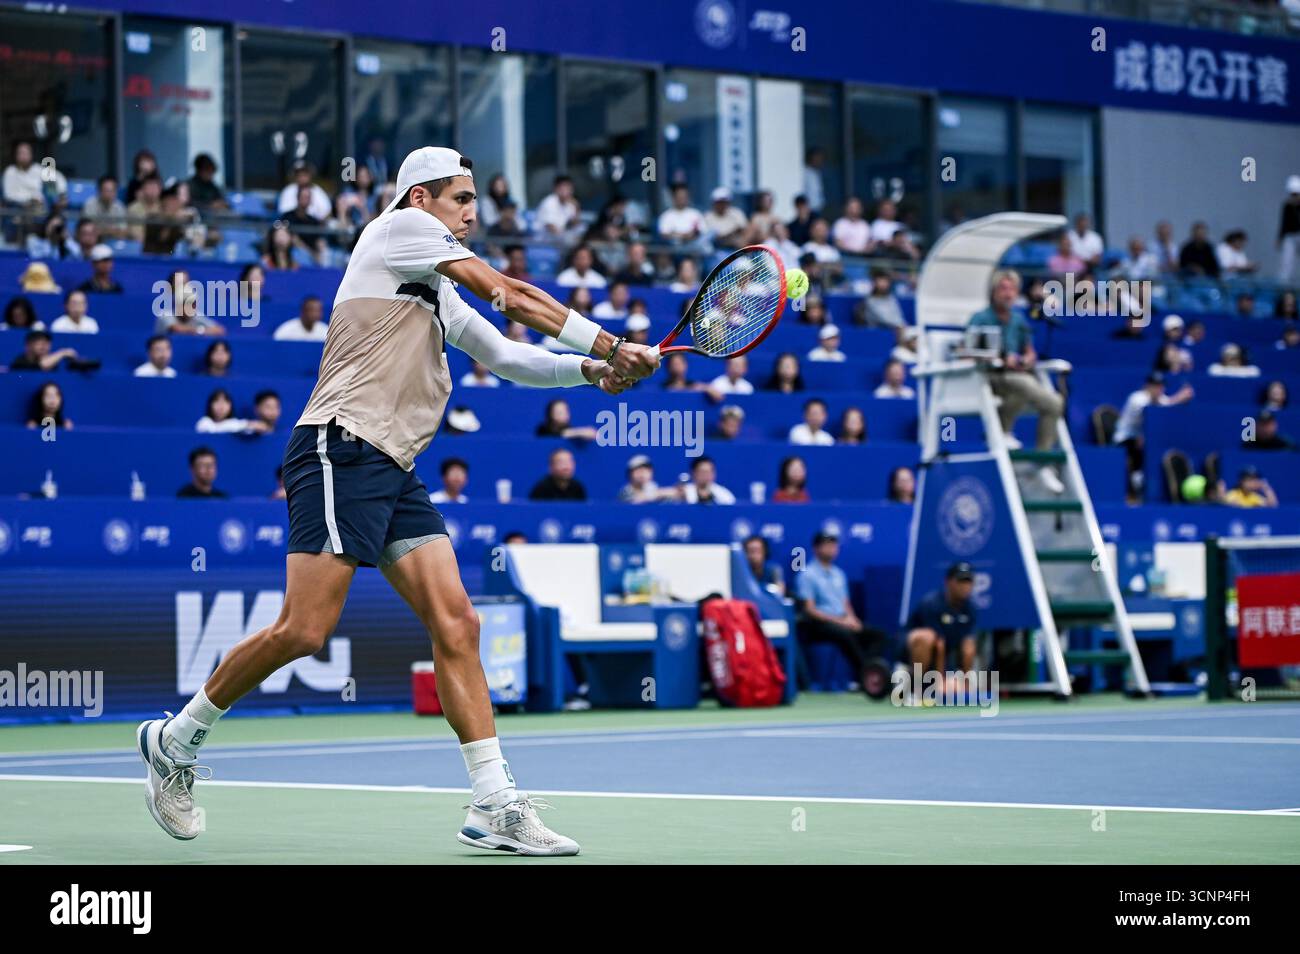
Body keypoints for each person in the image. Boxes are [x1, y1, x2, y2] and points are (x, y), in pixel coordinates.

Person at [135, 147, 656, 858]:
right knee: (304, 630)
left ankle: (493, 803)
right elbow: (509, 291)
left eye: (474, 199)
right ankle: (175, 740)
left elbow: (505, 355)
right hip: (339, 447)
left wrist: (589, 372)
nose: (473, 211)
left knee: (458, 621)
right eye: (459, 197)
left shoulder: (437, 288)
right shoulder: (396, 232)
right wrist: (610, 339)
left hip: (394, 466)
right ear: (420, 199)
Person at [969, 270, 1064, 491]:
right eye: (1003, 288)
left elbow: (1029, 351)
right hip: (988, 377)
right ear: (993, 292)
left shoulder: (1019, 320)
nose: (1008, 293)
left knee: (1052, 402)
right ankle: (1005, 431)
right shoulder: (980, 318)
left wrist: (1027, 359)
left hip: (1015, 377)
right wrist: (1002, 358)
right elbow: (968, 352)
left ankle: (1041, 460)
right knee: (1037, 392)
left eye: (1012, 289)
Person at [794, 530, 886, 696]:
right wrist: (841, 621)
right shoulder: (807, 575)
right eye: (827, 545)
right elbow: (810, 609)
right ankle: (869, 677)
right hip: (818, 625)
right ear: (816, 549)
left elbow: (845, 603)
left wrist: (853, 619)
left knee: (877, 635)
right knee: (845, 634)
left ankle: (866, 674)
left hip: (842, 621)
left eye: (834, 545)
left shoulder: (839, 574)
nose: (831, 549)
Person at [1113, 371, 1194, 500]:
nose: (1159, 389)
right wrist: (1179, 397)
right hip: (1125, 440)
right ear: (1147, 386)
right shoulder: (1137, 398)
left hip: (1145, 441)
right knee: (1138, 445)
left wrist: (1180, 399)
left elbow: (1166, 405)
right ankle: (1133, 489)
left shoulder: (1161, 398)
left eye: (1161, 386)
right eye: (1155, 385)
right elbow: (1148, 413)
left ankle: (1141, 482)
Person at [905, 563, 978, 679]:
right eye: (960, 581)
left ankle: (965, 688)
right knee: (926, 638)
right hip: (912, 651)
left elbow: (968, 645)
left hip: (946, 656)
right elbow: (939, 644)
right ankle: (913, 685)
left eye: (968, 581)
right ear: (948, 582)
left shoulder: (971, 609)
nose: (965, 586)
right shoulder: (931, 604)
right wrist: (940, 681)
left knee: (969, 645)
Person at [534, 174, 582, 240]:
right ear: (556, 189)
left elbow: (575, 226)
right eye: (564, 188)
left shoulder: (570, 204)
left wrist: (577, 208)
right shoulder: (549, 202)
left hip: (560, 240)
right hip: (544, 241)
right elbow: (551, 228)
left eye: (569, 188)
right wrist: (568, 237)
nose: (567, 191)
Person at [10, 330, 83, 372]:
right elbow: (41, 366)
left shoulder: (53, 363)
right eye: (39, 343)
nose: (43, 347)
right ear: (28, 345)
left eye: (46, 343)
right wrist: (63, 352)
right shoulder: (19, 362)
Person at [1279, 175, 1300, 284]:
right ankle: (1284, 283)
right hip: (1290, 236)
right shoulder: (1287, 206)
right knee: (1287, 262)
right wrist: (1280, 238)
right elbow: (1283, 223)